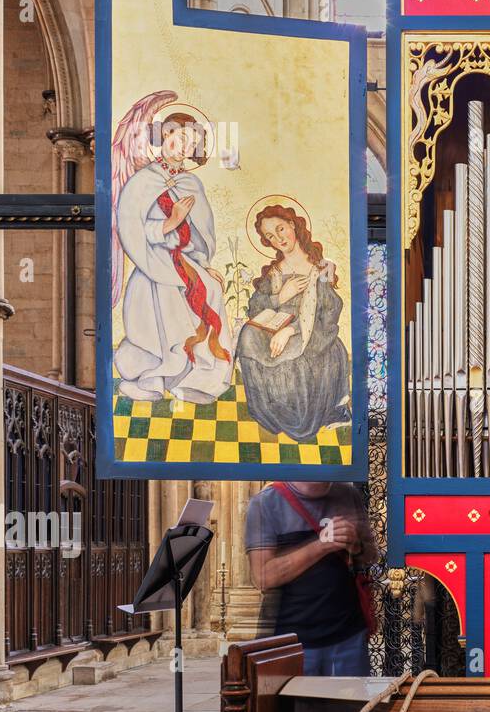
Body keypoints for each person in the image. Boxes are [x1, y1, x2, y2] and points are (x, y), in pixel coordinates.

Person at [113, 107, 233, 403]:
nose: (183, 149)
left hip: (183, 259)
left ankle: (200, 375)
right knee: (166, 293)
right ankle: (154, 375)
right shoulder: (142, 181)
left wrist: (205, 264)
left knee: (213, 288)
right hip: (152, 260)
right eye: (179, 139)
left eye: (191, 145)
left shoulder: (191, 184)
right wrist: (171, 221)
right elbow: (132, 229)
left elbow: (200, 233)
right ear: (165, 135)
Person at [235, 204, 351, 442]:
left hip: (312, 333)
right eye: (270, 236)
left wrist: (290, 330)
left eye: (280, 229)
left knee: (292, 353)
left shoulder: (321, 268)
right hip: (275, 328)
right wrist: (281, 296)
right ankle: (271, 412)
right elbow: (256, 308)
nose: (278, 238)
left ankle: (299, 417)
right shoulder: (275, 272)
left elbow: (330, 313)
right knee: (247, 335)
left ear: (293, 225)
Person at [245, 480, 377, 676]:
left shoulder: (348, 494)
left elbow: (370, 556)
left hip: (349, 637)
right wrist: (322, 545)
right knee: (298, 706)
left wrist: (355, 544)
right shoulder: (266, 503)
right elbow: (264, 578)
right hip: (293, 640)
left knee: (354, 706)